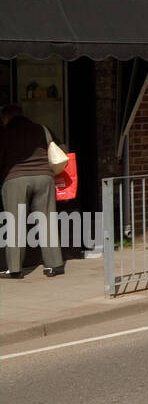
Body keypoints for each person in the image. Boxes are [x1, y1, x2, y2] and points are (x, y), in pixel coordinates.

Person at [0, 104, 65, 279]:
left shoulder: (5, 132)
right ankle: (55, 265)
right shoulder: (42, 129)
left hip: (16, 179)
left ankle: (14, 269)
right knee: (47, 220)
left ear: (6, 117)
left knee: (15, 223)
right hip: (45, 177)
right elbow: (62, 149)